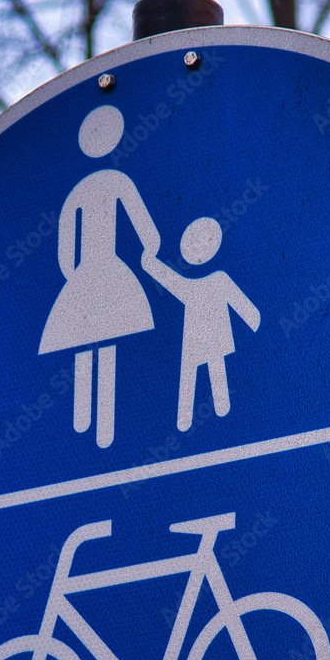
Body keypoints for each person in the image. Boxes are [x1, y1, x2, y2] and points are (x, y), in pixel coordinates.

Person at [39, 105, 161, 448]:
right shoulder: (116, 181)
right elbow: (146, 230)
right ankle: (100, 429)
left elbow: (65, 247)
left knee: (85, 340)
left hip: (85, 273)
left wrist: (74, 277)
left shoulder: (79, 192)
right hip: (110, 269)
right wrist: (147, 253)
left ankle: (85, 423)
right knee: (108, 340)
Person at [142, 217, 260, 432]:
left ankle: (212, 414)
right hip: (197, 338)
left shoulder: (217, 279)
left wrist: (253, 319)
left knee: (210, 370)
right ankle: (186, 421)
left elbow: (240, 302)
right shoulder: (205, 283)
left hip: (209, 337)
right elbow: (170, 280)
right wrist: (149, 263)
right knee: (194, 372)